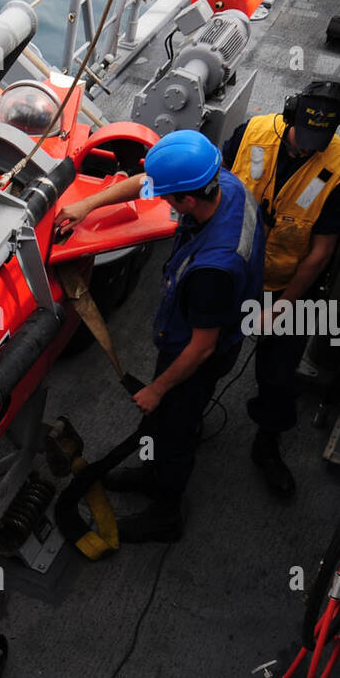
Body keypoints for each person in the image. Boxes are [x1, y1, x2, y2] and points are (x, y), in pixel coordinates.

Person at [54, 129, 265, 542]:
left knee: (175, 426)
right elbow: (146, 183)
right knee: (167, 420)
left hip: (195, 350)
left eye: (168, 197)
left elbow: (202, 348)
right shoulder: (222, 182)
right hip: (205, 323)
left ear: (186, 200)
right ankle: (153, 467)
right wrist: (88, 204)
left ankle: (166, 510)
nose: (160, 198)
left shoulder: (214, 269)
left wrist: (158, 388)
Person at [224, 80, 340, 495]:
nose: (307, 147)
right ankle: (185, 418)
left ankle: (267, 442)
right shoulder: (252, 133)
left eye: (319, 139)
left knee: (280, 374)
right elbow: (217, 192)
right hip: (232, 271)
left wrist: (282, 307)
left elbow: (320, 252)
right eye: (304, 135)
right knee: (205, 351)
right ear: (291, 114)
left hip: (289, 284)